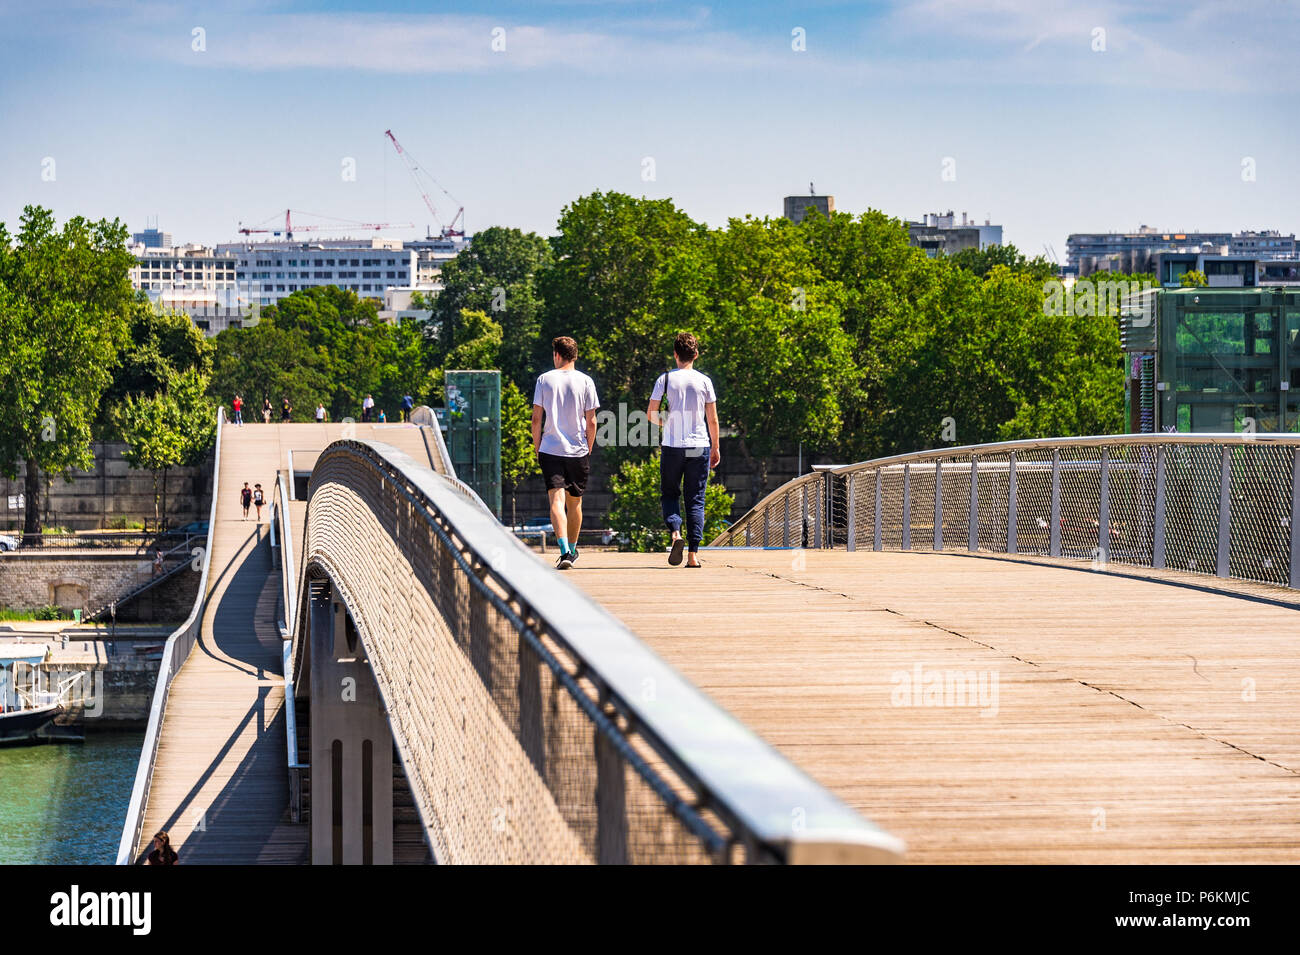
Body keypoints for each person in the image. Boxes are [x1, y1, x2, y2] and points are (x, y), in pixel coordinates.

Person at [648, 332, 719, 568]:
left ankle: (676, 533)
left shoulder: (665, 379)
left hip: (673, 446)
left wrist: (666, 422)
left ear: (675, 354)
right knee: (696, 500)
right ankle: (693, 556)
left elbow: (651, 414)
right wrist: (715, 447)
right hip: (699, 445)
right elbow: (713, 420)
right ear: (696, 355)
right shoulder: (705, 381)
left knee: (670, 493)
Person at [532, 336, 599, 570]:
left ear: (557, 355)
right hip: (578, 450)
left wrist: (537, 446)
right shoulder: (586, 381)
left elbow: (536, 419)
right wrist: (588, 447)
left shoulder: (544, 380)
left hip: (550, 448)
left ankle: (563, 551)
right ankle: (573, 549)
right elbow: (591, 421)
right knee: (575, 503)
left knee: (556, 500)